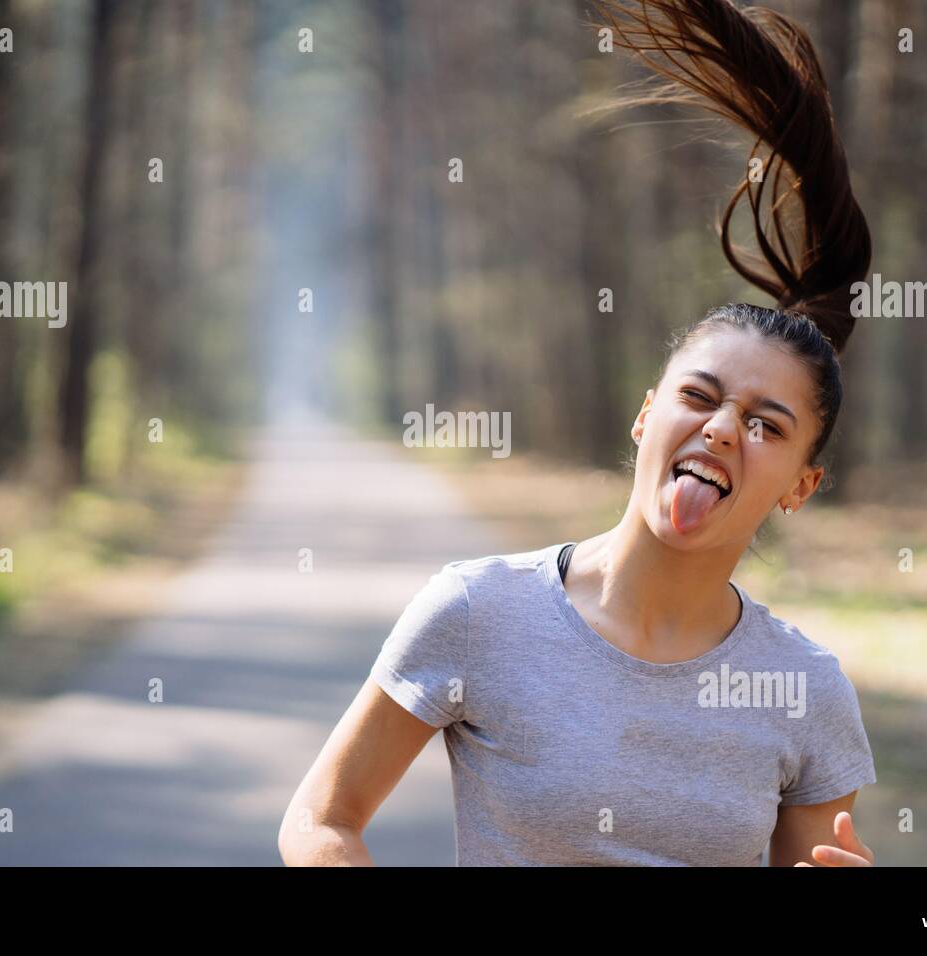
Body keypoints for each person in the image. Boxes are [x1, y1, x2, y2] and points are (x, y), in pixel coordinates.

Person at [278, 0, 877, 866]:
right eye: (699, 397)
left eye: (764, 425)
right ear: (645, 417)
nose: (720, 430)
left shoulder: (807, 691)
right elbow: (323, 818)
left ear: (799, 486)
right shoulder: (480, 614)